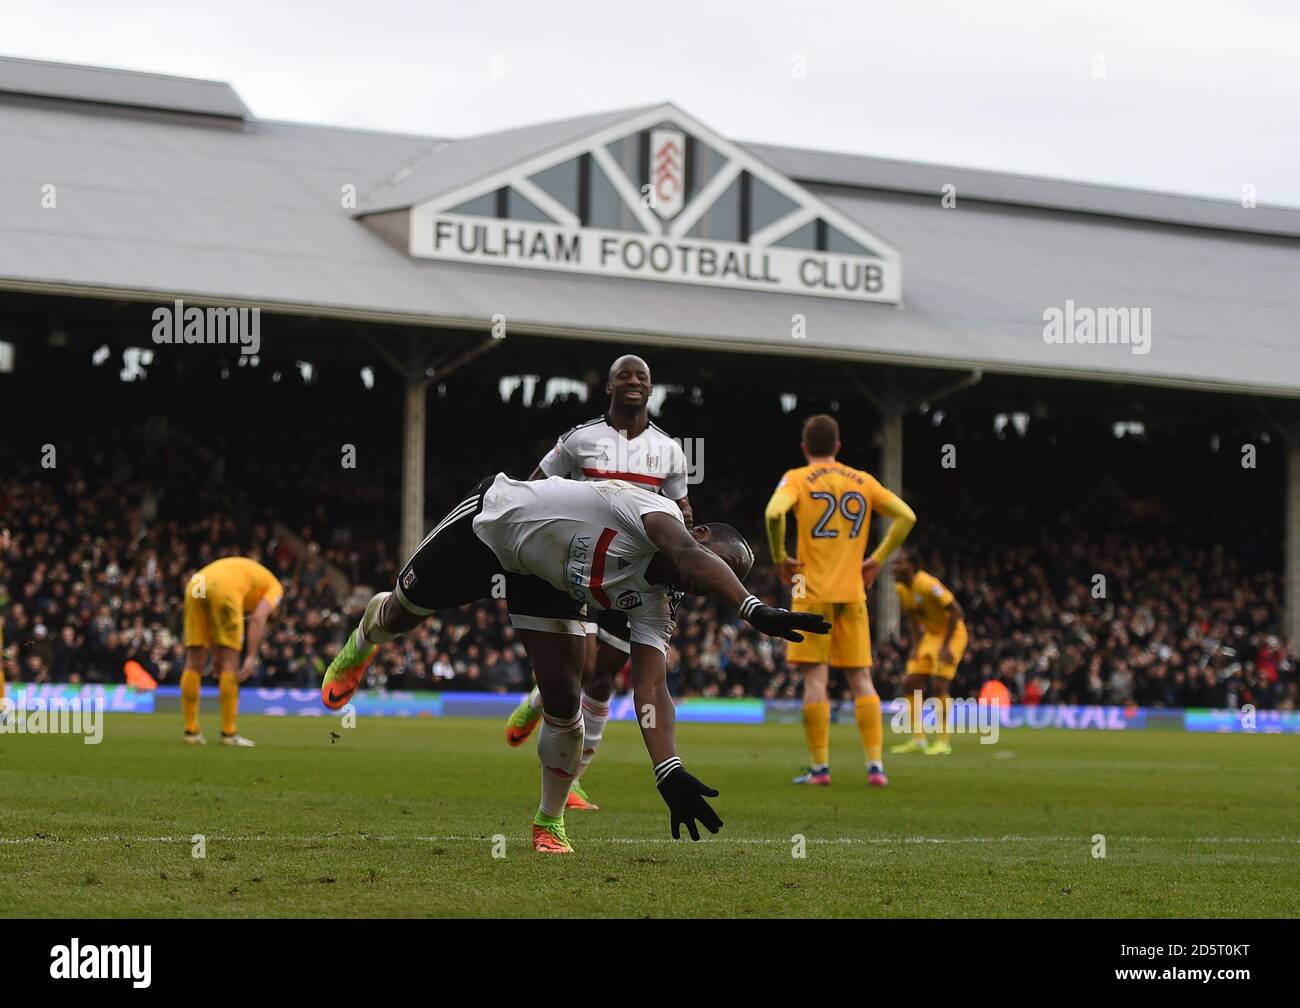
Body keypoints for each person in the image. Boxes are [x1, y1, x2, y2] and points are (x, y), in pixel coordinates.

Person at [320, 472, 827, 854]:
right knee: (400, 616)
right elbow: (688, 556)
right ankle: (364, 640)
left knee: (565, 699)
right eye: (720, 567)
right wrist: (753, 606)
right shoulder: (652, 512)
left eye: (727, 579)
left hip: (549, 584)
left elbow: (651, 688)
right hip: (490, 528)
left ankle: (548, 821)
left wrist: (668, 769)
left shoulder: (657, 605)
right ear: (701, 538)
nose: (706, 584)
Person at [503, 354, 691, 812]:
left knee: (603, 679)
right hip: (581, 570)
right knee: (582, 669)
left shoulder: (670, 450)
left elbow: (684, 513)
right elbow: (533, 487)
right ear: (608, 387)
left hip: (633, 575)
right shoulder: (580, 439)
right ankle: (544, 696)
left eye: (641, 377)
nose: (633, 381)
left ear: (651, 389)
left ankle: (575, 782)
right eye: (623, 376)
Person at [764, 414, 915, 787]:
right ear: (838, 447)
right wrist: (877, 560)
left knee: (816, 680)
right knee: (862, 679)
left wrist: (781, 557)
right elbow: (906, 516)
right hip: (852, 590)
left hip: (810, 591)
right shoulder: (862, 480)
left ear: (804, 447)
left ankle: (820, 768)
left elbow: (773, 512)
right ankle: (876, 766)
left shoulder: (797, 477)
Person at [181, 556, 283, 747]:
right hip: (224, 587)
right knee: (231, 664)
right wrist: (251, 656)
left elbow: (212, 623)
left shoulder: (251, 577)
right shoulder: (276, 589)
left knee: (193, 661)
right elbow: (258, 618)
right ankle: (228, 733)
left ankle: (191, 731)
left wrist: (216, 655)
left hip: (197, 582)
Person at [890, 549, 968, 756]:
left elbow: (956, 611)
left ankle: (943, 741)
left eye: (899, 563)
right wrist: (915, 646)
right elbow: (913, 617)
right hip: (931, 636)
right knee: (910, 683)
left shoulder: (928, 584)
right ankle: (918, 739)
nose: (893, 567)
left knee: (939, 684)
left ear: (912, 566)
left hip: (953, 634)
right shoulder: (901, 589)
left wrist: (946, 645)